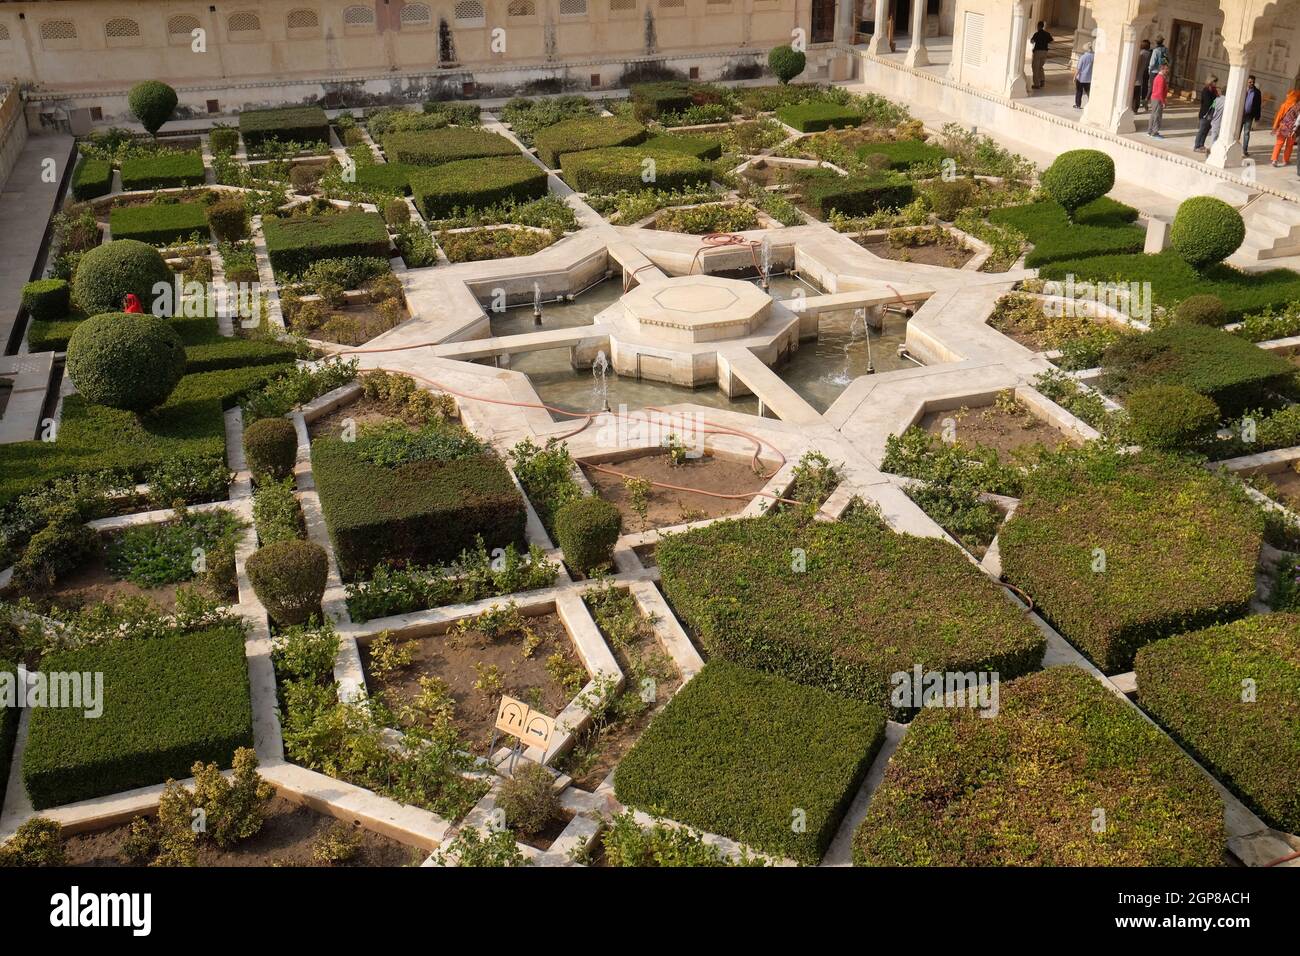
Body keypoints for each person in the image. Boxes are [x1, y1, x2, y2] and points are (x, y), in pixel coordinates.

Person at [1272, 88, 1300, 167]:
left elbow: (1279, 116)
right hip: (1293, 129)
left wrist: (1275, 127)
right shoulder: (1298, 106)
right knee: (1289, 145)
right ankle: (1285, 160)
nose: (1286, 95)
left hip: (1283, 127)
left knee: (1279, 143)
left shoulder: (1284, 105)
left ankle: (1274, 160)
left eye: (1288, 94)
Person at [1194, 75, 1220, 151]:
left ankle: (1201, 144)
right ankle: (1196, 146)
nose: (1215, 83)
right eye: (1214, 81)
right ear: (1210, 81)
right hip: (1205, 113)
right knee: (1202, 130)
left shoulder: (1214, 90)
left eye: (1216, 82)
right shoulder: (1206, 90)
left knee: (1206, 130)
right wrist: (1215, 100)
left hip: (1211, 114)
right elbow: (1208, 102)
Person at [1242, 75, 1263, 156]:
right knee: (1237, 132)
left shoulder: (1257, 92)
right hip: (1240, 115)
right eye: (1250, 82)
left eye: (1253, 82)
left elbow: (1258, 105)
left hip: (1249, 116)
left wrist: (1257, 116)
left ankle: (1244, 150)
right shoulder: (1243, 89)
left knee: (1246, 133)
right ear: (1246, 81)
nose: (1251, 84)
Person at [1149, 63, 1171, 139]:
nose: (1167, 70)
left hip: (1155, 98)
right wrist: (1163, 101)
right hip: (1157, 99)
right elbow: (1160, 92)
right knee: (1157, 116)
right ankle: (1154, 132)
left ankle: (1150, 131)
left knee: (1153, 115)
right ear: (1162, 69)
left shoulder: (1158, 77)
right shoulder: (1161, 78)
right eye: (1166, 69)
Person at [1030, 22, 1053, 90]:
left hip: (1038, 52)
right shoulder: (1047, 34)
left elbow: (1032, 41)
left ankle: (1036, 84)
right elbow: (1051, 41)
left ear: (1039, 26)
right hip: (1045, 52)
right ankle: (1042, 80)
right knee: (1040, 66)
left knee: (1035, 68)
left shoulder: (1037, 34)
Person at [1133, 40, 1152, 113]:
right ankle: (1142, 101)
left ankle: (1135, 108)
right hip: (1146, 72)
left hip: (1138, 75)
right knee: (1143, 88)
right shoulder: (1150, 54)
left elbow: (1137, 66)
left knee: (1135, 93)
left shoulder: (1141, 54)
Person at [1074, 45, 1094, 109]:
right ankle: (1092, 104)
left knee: (1079, 91)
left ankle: (1078, 105)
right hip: (1089, 78)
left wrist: (1075, 76)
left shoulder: (1083, 57)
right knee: (1089, 92)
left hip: (1081, 78)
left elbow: (1078, 68)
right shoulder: (1094, 57)